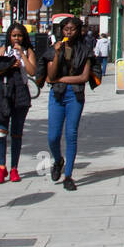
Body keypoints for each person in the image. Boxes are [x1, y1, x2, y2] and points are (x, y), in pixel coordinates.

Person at [44, 15, 94, 190]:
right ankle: (58, 160)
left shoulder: (85, 49)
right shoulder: (54, 49)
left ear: (79, 31)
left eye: (72, 29)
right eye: (66, 29)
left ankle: (68, 176)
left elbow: (84, 77)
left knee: (71, 134)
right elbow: (50, 77)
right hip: (57, 95)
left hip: (75, 95)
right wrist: (57, 54)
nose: (69, 32)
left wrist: (62, 79)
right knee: (53, 136)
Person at [0, 23, 36, 184]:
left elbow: (32, 71)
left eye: (20, 35)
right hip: (2, 93)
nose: (16, 38)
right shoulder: (2, 50)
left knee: (16, 132)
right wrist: (8, 64)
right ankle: (1, 167)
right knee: (1, 131)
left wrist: (22, 55)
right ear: (9, 36)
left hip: (20, 93)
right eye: (14, 35)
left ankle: (14, 168)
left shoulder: (28, 51)